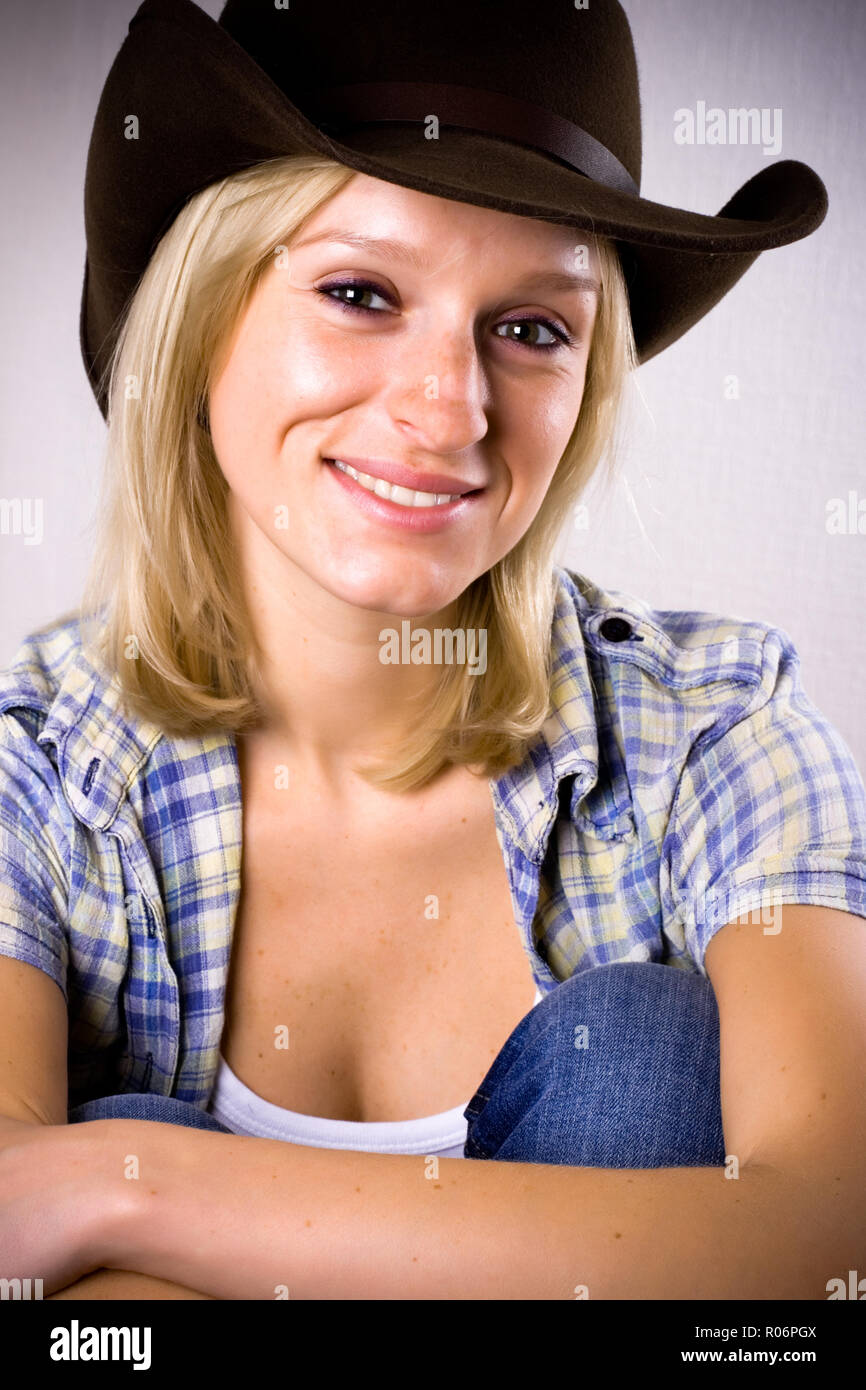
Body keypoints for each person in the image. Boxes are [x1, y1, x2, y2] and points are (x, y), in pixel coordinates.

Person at [1, 0, 865, 1301]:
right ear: (199, 326)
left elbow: (836, 1233)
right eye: (359, 293)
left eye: (531, 328)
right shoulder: (35, 761)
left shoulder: (711, 722)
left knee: (643, 1051)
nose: (447, 408)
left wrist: (129, 1182)